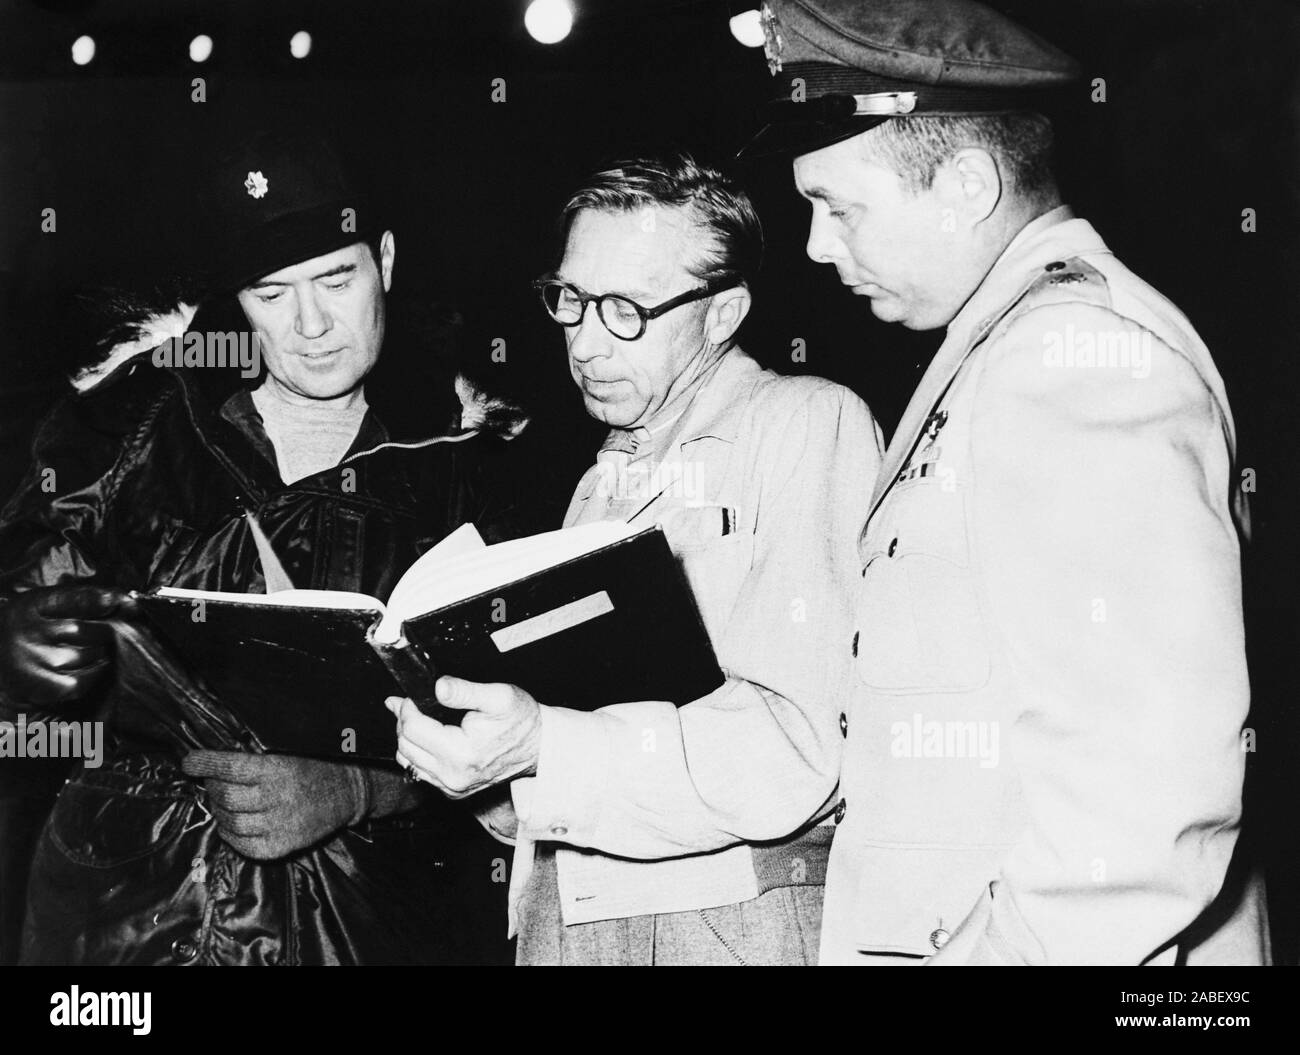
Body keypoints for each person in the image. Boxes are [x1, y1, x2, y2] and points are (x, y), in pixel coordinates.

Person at [739, 0, 1269, 964]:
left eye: (839, 207)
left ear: (968, 185)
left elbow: (1138, 802)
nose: (817, 245)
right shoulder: (1009, 347)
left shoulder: (1075, 359)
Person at [0, 132, 518, 965]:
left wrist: (360, 788)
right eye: (271, 293)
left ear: (385, 260)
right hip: (128, 920)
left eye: (336, 280)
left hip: (359, 924)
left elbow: (523, 744)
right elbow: (27, 651)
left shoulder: (463, 470)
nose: (310, 325)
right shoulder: (135, 425)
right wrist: (9, 655)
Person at [391, 153, 883, 965]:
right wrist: (479, 760)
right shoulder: (599, 480)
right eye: (571, 300)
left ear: (722, 313)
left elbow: (794, 748)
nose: (585, 343)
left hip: (725, 924)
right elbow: (568, 781)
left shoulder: (803, 422)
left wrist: (544, 744)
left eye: (625, 309)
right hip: (567, 926)